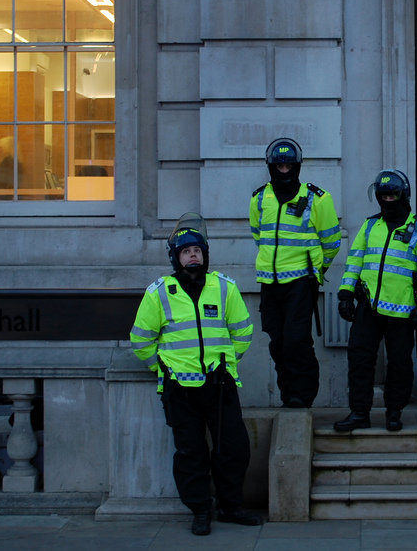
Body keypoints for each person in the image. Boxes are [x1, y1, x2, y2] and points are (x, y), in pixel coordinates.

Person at [130, 213, 262, 536]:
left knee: (233, 448)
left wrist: (227, 364)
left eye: (197, 251)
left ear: (205, 255)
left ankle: (231, 507)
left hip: (219, 386)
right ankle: (201, 510)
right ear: (176, 257)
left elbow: (243, 332)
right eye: (186, 251)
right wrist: (162, 369)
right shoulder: (159, 293)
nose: (192, 255)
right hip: (180, 390)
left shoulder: (224, 288)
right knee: (190, 452)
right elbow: (141, 340)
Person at [333, 169, 417, 432]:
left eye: (393, 194)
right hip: (368, 307)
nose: (388, 199)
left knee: (400, 364)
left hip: (402, 309)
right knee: (359, 360)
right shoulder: (370, 226)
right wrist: (345, 294)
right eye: (384, 195)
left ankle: (394, 412)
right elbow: (354, 261)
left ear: (403, 195)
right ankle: (359, 413)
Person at [250, 138, 341, 408]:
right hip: (270, 282)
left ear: (297, 166)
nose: (284, 168)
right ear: (271, 166)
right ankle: (287, 394)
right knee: (277, 343)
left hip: (301, 282)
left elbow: (332, 242)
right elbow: (259, 236)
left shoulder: (317, 199)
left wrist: (316, 269)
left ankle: (302, 395)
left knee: (296, 341)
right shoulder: (259, 199)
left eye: (288, 164)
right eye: (279, 164)